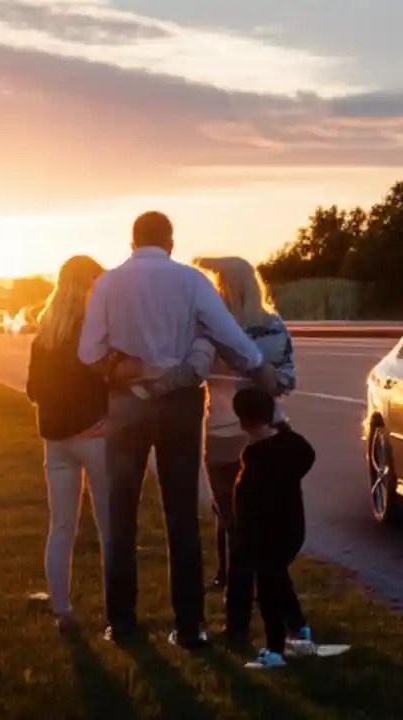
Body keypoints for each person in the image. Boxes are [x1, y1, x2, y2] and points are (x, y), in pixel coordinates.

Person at [78, 211, 277, 648]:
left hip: (128, 403)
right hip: (181, 405)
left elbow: (88, 351)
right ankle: (189, 626)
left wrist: (127, 368)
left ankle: (123, 624)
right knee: (182, 515)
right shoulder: (190, 282)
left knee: (121, 516)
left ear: (132, 243)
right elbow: (229, 336)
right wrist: (261, 369)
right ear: (170, 242)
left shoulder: (108, 284)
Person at [132, 256, 297, 592]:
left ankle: (238, 593)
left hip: (224, 434)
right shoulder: (275, 326)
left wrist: (154, 384)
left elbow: (193, 370)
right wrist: (260, 381)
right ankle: (260, 586)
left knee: (229, 515)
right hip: (269, 432)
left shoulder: (209, 331)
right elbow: (287, 380)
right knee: (262, 515)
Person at [24, 255, 111, 634]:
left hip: (55, 440)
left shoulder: (45, 333)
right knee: (111, 526)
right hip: (94, 434)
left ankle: (63, 608)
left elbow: (32, 391)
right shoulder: (92, 329)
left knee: (61, 526)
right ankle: (117, 611)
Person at [224, 387, 316, 668]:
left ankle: (275, 649)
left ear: (241, 422)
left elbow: (247, 509)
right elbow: (307, 455)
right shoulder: (292, 446)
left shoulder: (254, 461)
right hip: (292, 531)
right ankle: (299, 630)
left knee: (268, 590)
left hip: (265, 537)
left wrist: (242, 540)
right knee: (279, 579)